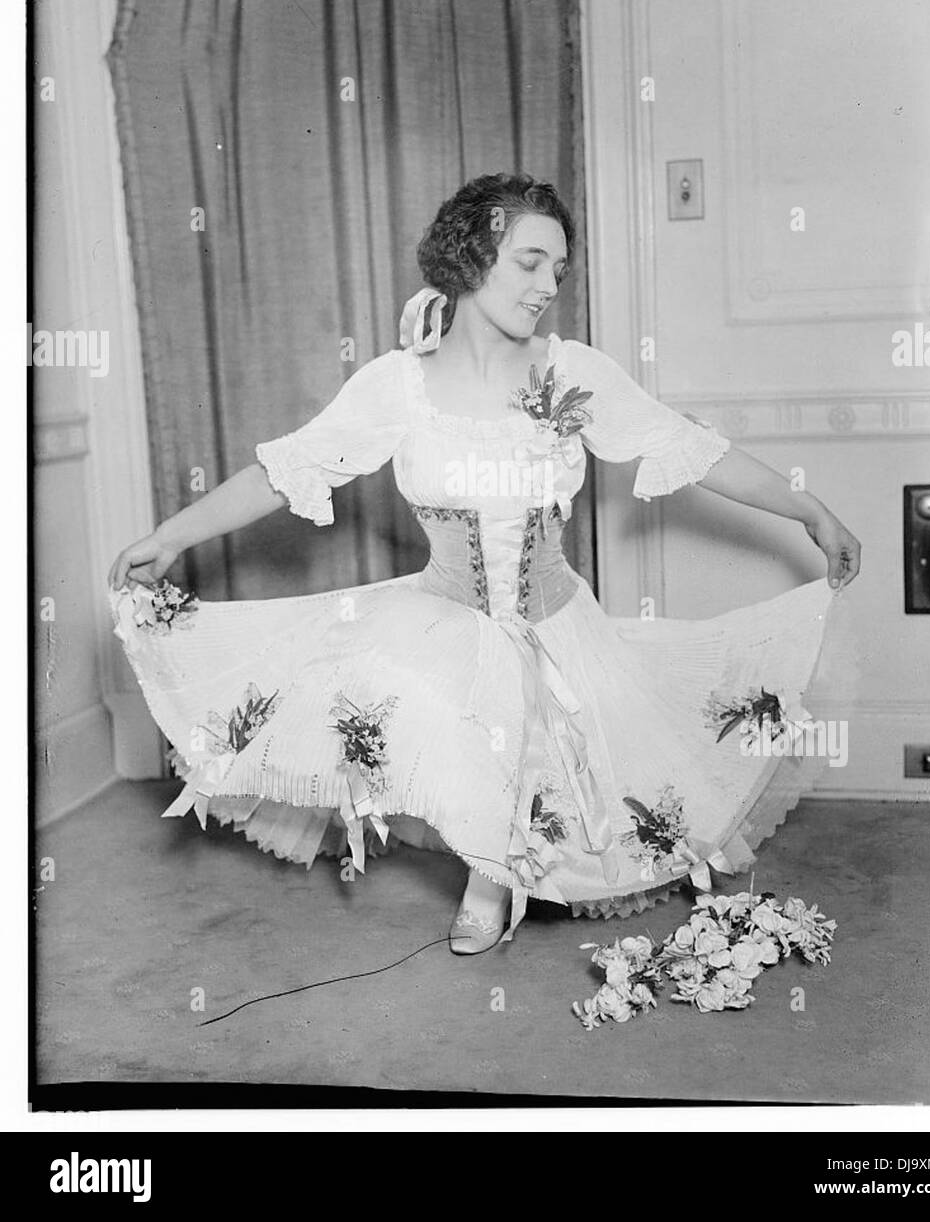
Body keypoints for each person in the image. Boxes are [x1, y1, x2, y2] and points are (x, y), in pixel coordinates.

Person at [108, 173, 860, 955]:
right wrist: (172, 535)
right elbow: (286, 469)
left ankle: (500, 873)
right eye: (529, 263)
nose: (547, 287)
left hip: (555, 615)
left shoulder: (576, 372)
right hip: (446, 616)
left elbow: (690, 450)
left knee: (594, 754)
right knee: (409, 700)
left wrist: (810, 509)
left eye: (558, 271)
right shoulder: (396, 383)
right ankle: (487, 868)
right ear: (472, 255)